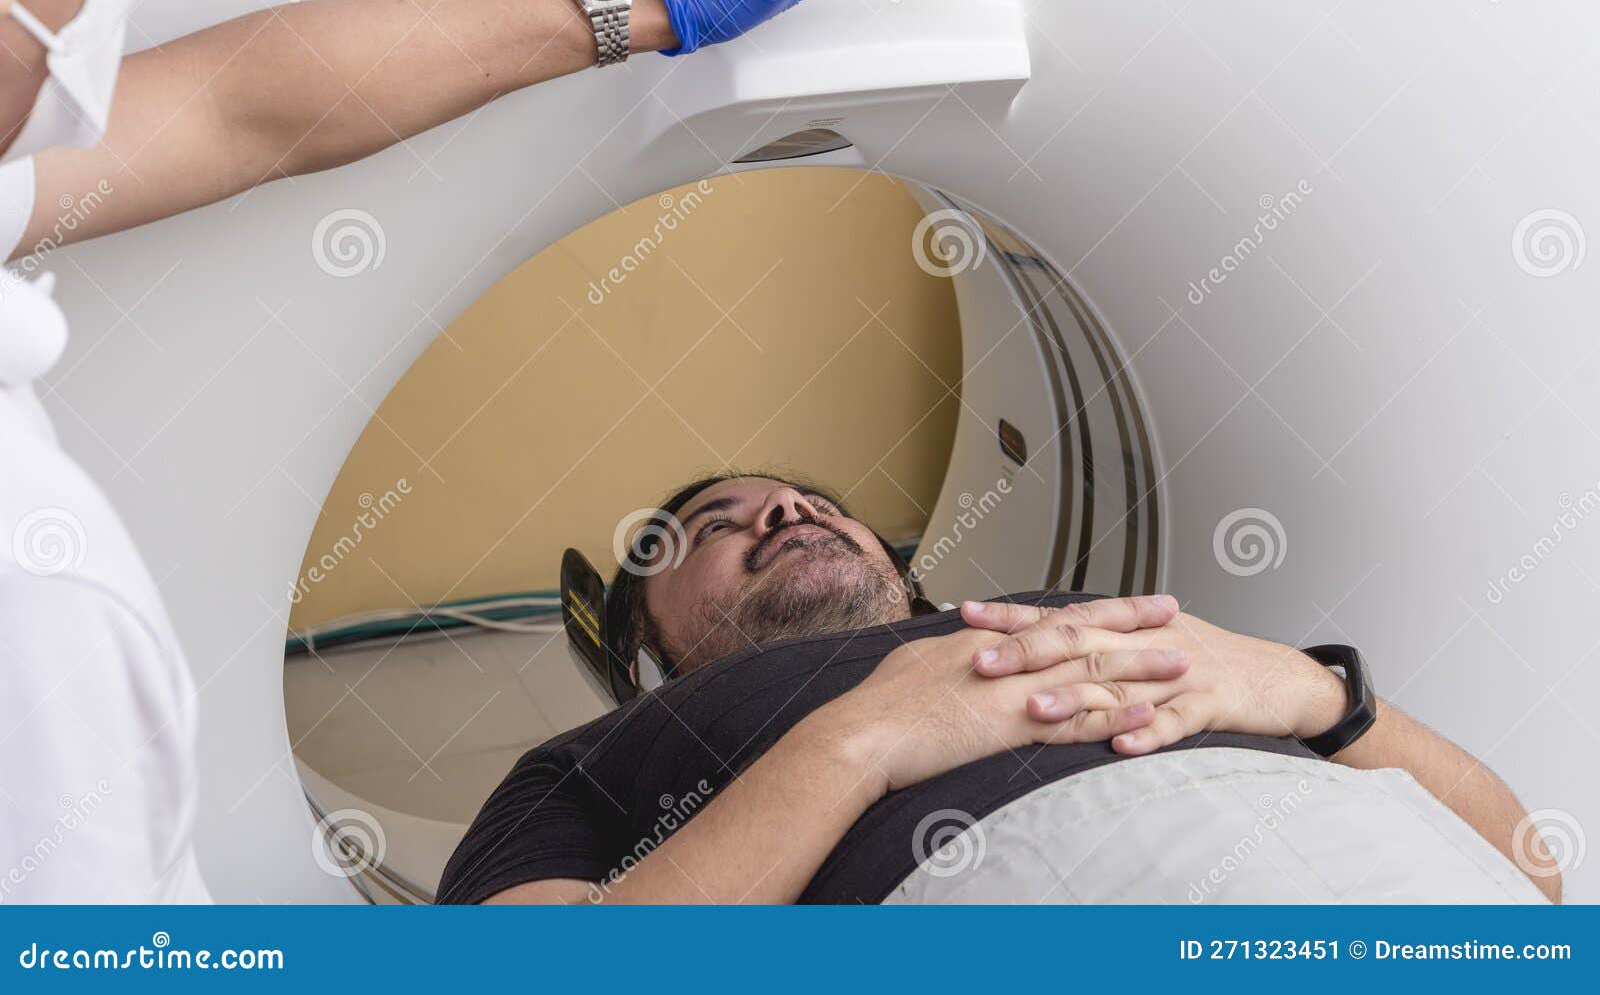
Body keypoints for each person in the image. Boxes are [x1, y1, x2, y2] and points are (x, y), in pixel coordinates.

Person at [0, 0, 904, 902]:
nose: (785, 511)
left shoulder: (1055, 624)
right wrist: (884, 731)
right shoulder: (40, 595)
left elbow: (237, 107)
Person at [437, 472, 1560, 905]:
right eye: (712, 527)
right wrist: (863, 738)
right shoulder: (596, 759)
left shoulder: (1078, 609)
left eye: (807, 500)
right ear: (650, 655)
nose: (781, 511)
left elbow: (1531, 877)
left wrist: (1316, 696)